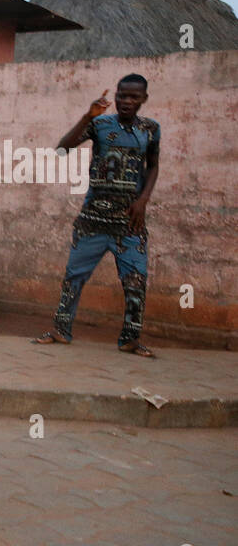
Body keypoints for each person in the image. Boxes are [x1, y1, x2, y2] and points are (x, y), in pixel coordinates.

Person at [32, 75, 160, 357]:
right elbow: (62, 149)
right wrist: (86, 116)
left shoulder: (150, 129)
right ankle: (60, 329)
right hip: (93, 219)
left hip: (130, 222)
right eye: (122, 95)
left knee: (135, 280)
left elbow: (153, 166)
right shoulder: (100, 124)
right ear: (115, 96)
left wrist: (143, 200)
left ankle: (130, 338)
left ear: (143, 100)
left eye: (133, 97)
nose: (126, 101)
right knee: (73, 277)